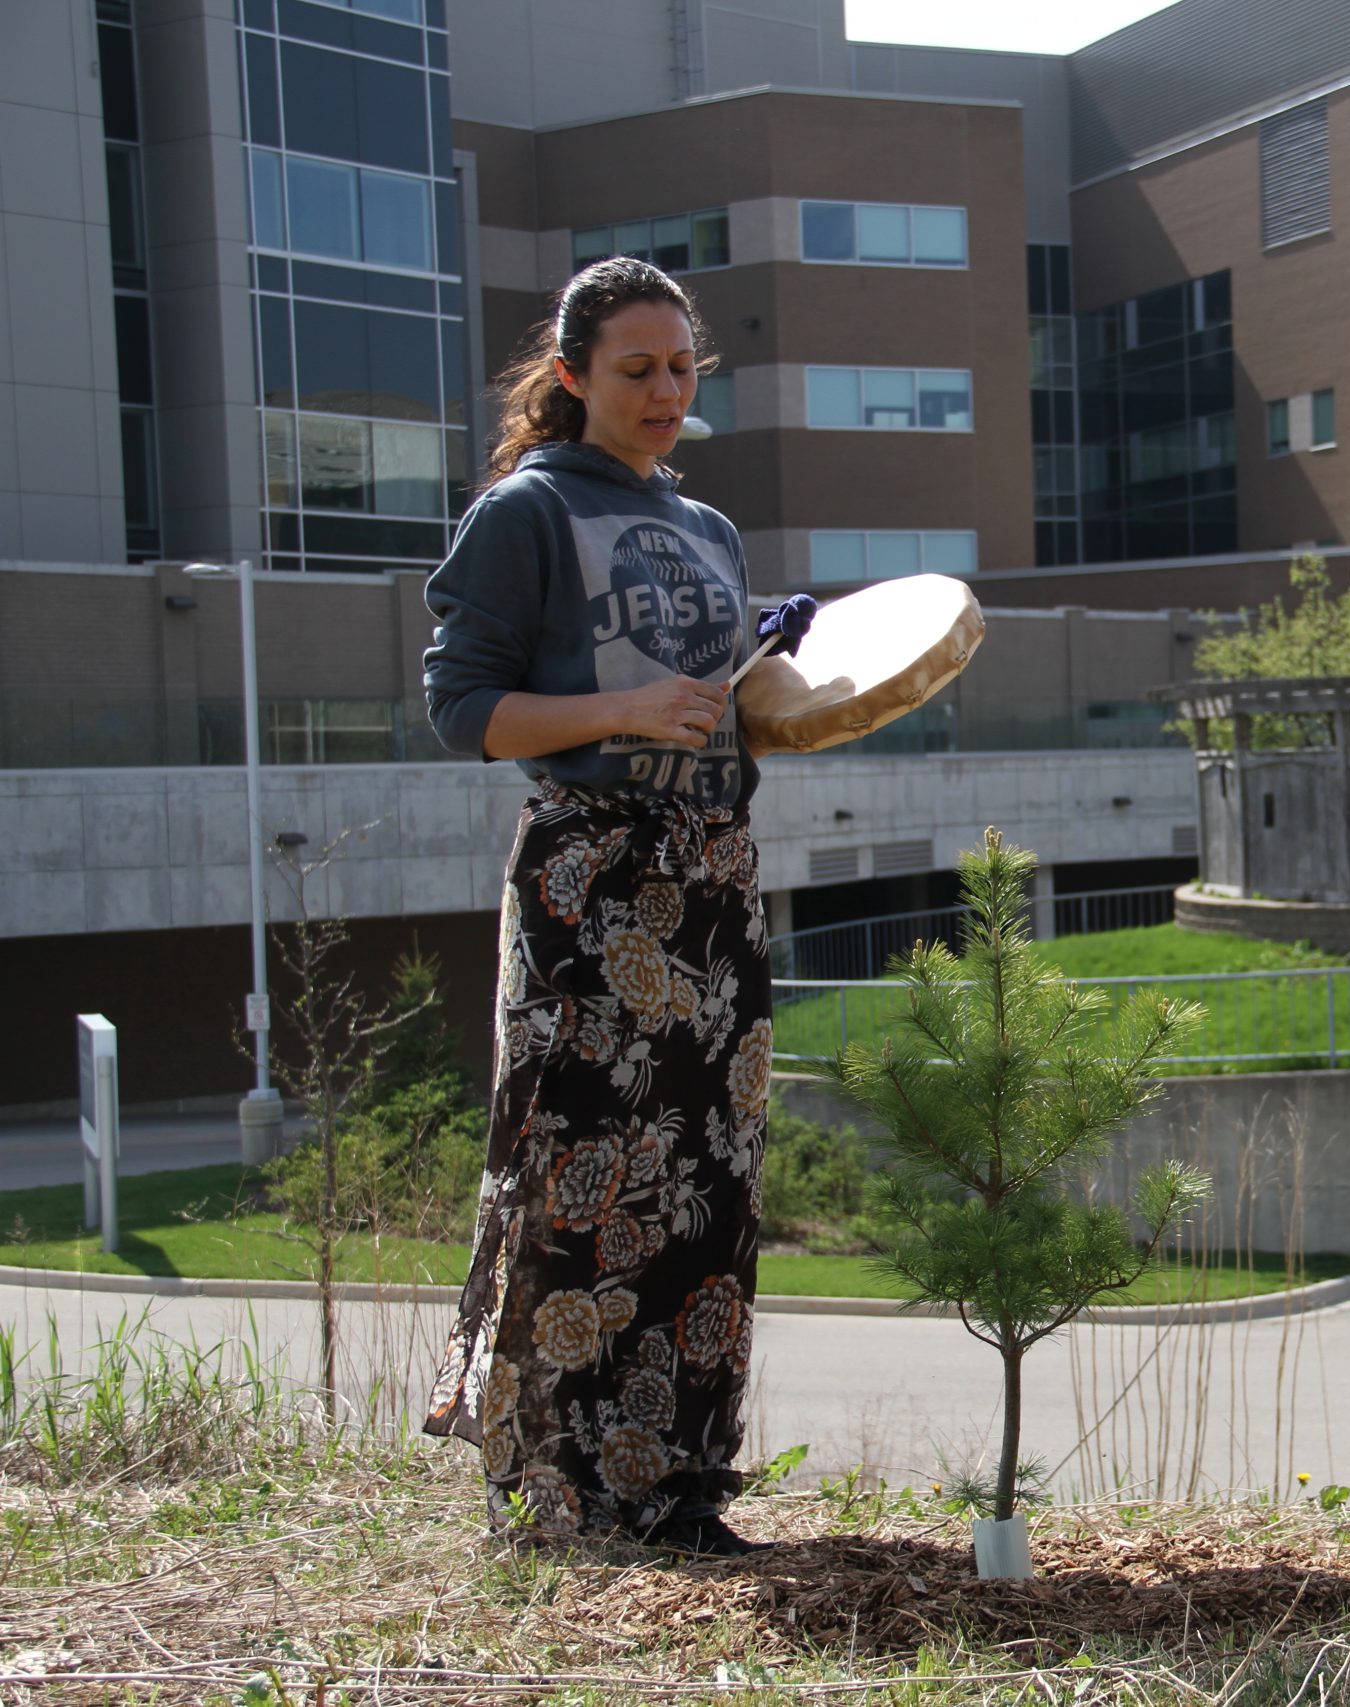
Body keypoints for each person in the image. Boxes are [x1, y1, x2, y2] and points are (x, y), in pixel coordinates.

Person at [418, 256, 799, 1556]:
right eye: (636, 369)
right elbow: (461, 708)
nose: (665, 391)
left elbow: (720, 708)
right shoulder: (523, 514)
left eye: (682, 368)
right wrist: (624, 709)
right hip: (593, 880)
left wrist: (782, 669)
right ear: (572, 375)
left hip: (713, 882)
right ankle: (557, 1495)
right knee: (581, 1191)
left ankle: (681, 1495)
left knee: (707, 1186)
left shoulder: (709, 529)